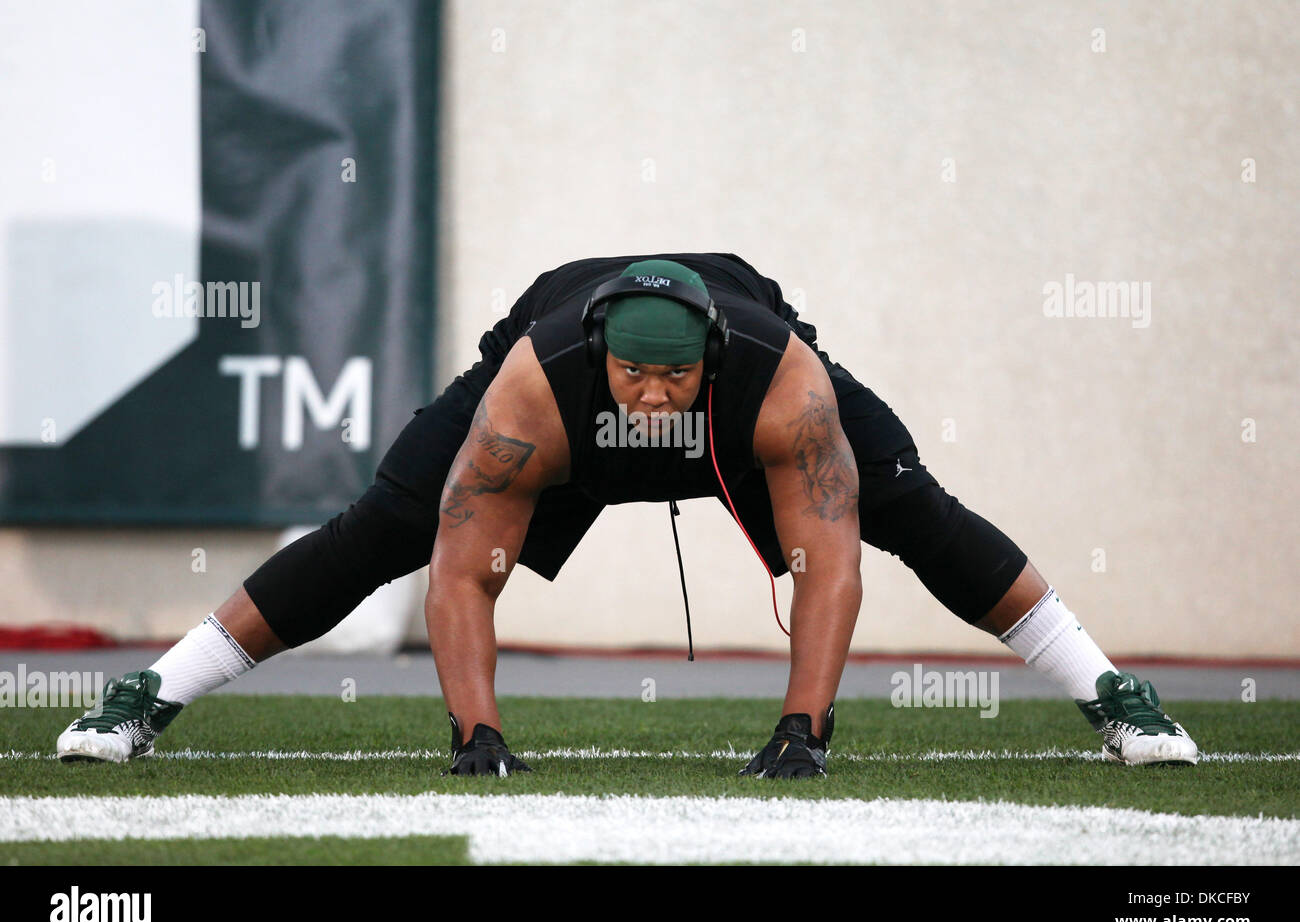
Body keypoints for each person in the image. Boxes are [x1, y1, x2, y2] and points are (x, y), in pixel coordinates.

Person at [57, 253, 1198, 777]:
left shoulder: (781, 386)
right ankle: (150, 692)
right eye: (632, 379)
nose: (651, 400)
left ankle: (1110, 689)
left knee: (910, 507)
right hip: (553, 409)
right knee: (379, 531)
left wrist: (807, 724)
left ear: (708, 360)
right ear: (598, 358)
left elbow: (831, 562)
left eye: (672, 379)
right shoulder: (530, 391)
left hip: (751, 412)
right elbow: (462, 571)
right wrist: (475, 731)